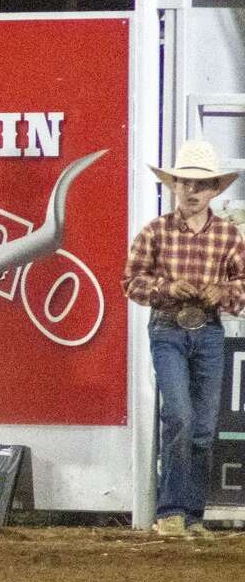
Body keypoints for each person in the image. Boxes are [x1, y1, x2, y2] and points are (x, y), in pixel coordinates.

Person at [123, 139, 245, 539]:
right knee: (179, 415)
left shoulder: (229, 236)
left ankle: (191, 514)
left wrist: (223, 293)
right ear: (174, 186)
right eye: (184, 184)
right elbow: (131, 283)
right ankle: (173, 510)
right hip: (169, 328)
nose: (191, 192)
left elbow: (242, 284)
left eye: (200, 186)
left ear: (214, 191)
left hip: (208, 330)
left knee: (201, 425)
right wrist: (165, 289)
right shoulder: (154, 233)